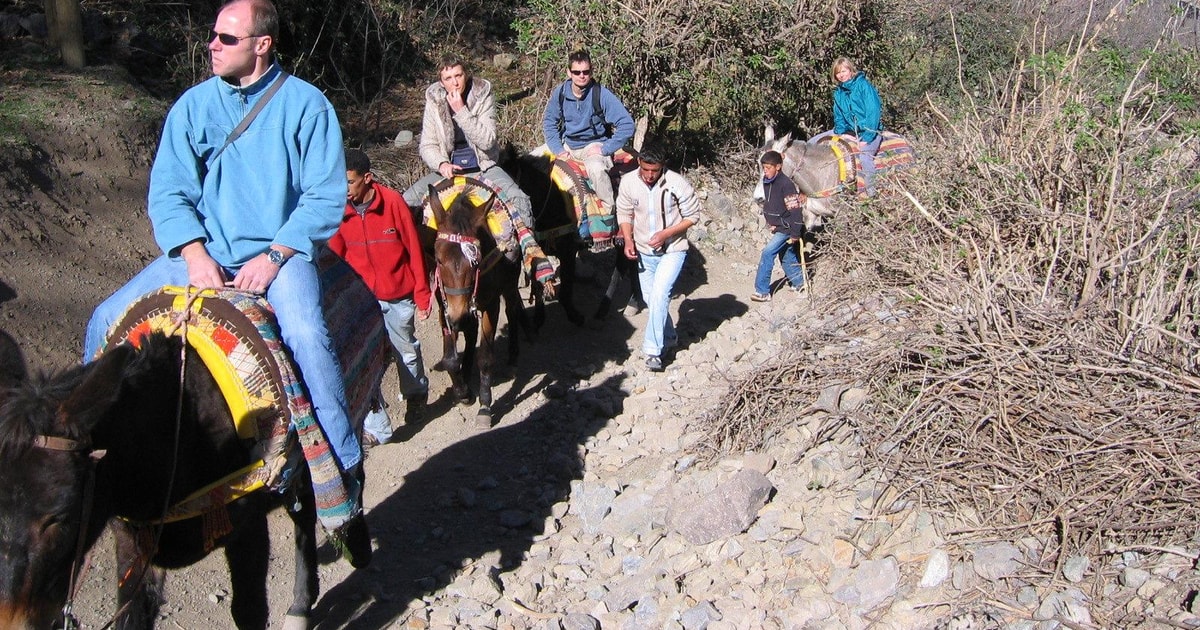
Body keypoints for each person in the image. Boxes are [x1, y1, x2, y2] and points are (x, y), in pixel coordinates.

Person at [82, 0, 370, 556]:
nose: (211, 44)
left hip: (279, 254)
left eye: (224, 37)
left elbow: (324, 195)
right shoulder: (192, 106)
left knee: (308, 337)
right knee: (101, 321)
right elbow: (169, 191)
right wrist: (193, 254)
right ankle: (90, 463)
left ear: (262, 45)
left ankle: (341, 474)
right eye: (212, 36)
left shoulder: (307, 106)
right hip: (204, 251)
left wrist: (278, 253)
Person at [332, 149, 431, 446]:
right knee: (365, 360)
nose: (345, 188)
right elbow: (336, 258)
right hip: (361, 302)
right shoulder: (338, 211)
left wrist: (422, 293)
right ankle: (377, 427)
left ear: (367, 179)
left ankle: (415, 396)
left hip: (397, 293)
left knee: (405, 349)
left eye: (349, 182)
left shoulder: (392, 202)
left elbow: (413, 248)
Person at [404, 56, 534, 230]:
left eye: (458, 76)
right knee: (405, 201)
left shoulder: (482, 94)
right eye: (448, 79)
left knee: (519, 199)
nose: (455, 83)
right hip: (448, 170)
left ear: (466, 75)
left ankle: (530, 251)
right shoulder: (434, 100)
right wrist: (441, 163)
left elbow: (488, 141)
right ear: (441, 82)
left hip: (483, 166)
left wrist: (461, 111)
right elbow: (427, 144)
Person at [616, 148, 701, 372]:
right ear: (639, 163)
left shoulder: (676, 183)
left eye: (654, 170)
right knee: (652, 299)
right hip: (644, 251)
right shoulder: (628, 183)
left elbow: (693, 215)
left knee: (660, 295)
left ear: (662, 166)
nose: (649, 175)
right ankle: (671, 337)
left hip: (673, 249)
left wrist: (666, 234)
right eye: (645, 169)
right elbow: (624, 213)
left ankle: (653, 351)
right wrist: (628, 240)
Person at [541, 49, 635, 211]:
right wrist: (558, 149)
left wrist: (605, 148)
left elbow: (627, 125)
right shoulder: (561, 93)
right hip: (568, 144)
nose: (581, 76)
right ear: (569, 73)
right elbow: (549, 122)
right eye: (577, 72)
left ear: (591, 72)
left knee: (596, 169)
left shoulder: (601, 94)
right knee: (534, 161)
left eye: (585, 71)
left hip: (594, 144)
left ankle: (609, 209)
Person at [810, 57, 883, 195]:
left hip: (869, 131)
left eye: (844, 71)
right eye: (838, 73)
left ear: (850, 70)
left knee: (865, 158)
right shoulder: (838, 92)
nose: (841, 75)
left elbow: (873, 112)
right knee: (812, 143)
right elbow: (839, 115)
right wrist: (841, 132)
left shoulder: (863, 86)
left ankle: (872, 194)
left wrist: (867, 137)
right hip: (849, 130)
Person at [751, 151, 806, 302]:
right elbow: (771, 204)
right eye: (764, 168)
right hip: (778, 226)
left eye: (769, 168)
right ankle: (800, 282)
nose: (766, 171)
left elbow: (795, 210)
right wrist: (771, 223)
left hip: (787, 228)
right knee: (786, 256)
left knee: (768, 253)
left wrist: (795, 233)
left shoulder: (786, 185)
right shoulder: (766, 181)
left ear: (778, 167)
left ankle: (762, 291)